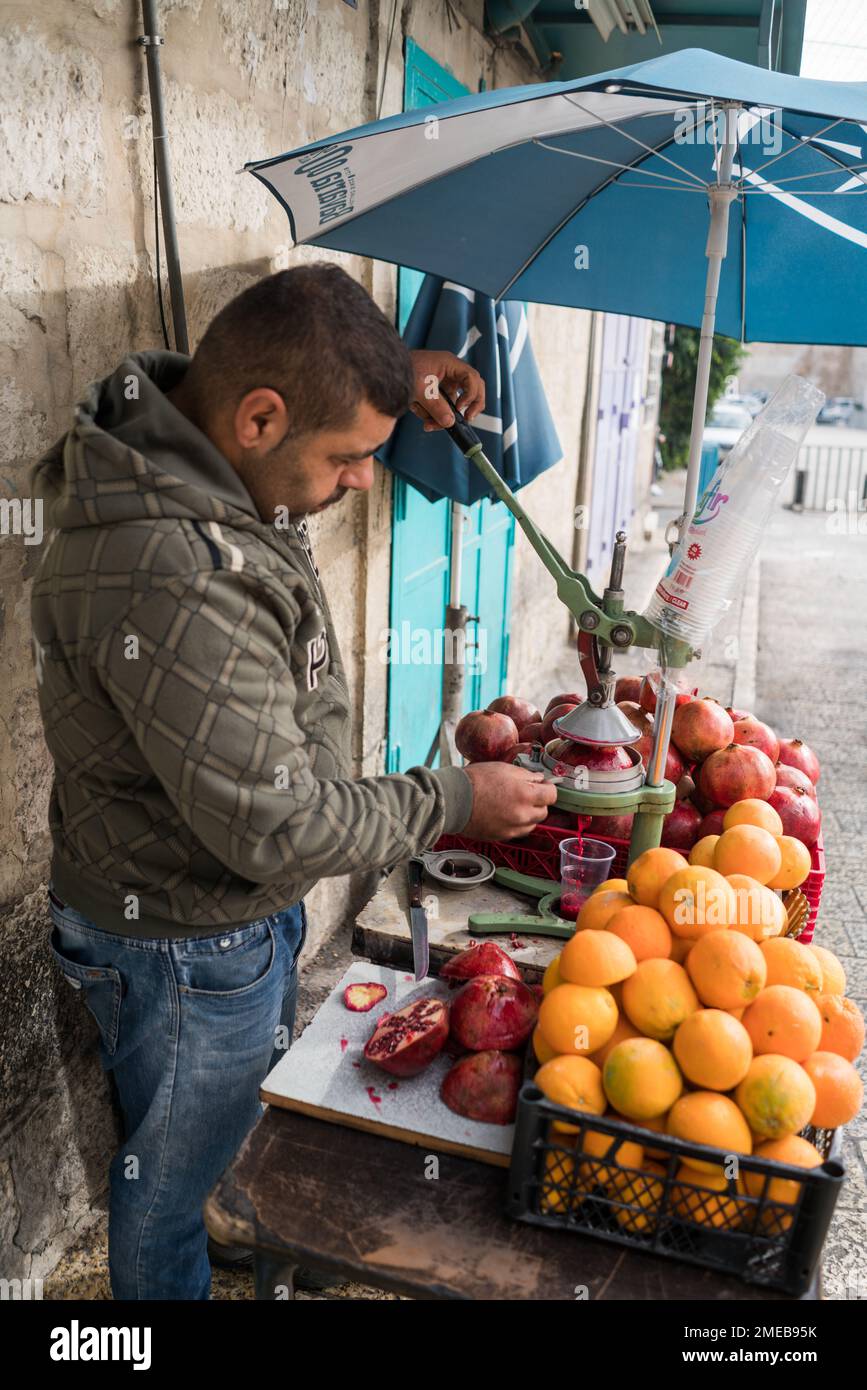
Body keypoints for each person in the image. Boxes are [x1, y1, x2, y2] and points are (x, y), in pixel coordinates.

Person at [31, 263, 556, 1300]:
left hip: (202, 917)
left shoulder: (196, 439)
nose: (366, 477)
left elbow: (279, 393)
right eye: (350, 455)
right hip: (188, 941)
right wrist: (451, 798)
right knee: (161, 1189)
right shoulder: (178, 573)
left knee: (197, 1137)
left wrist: (383, 380)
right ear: (262, 418)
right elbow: (278, 825)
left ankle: (211, 1220)